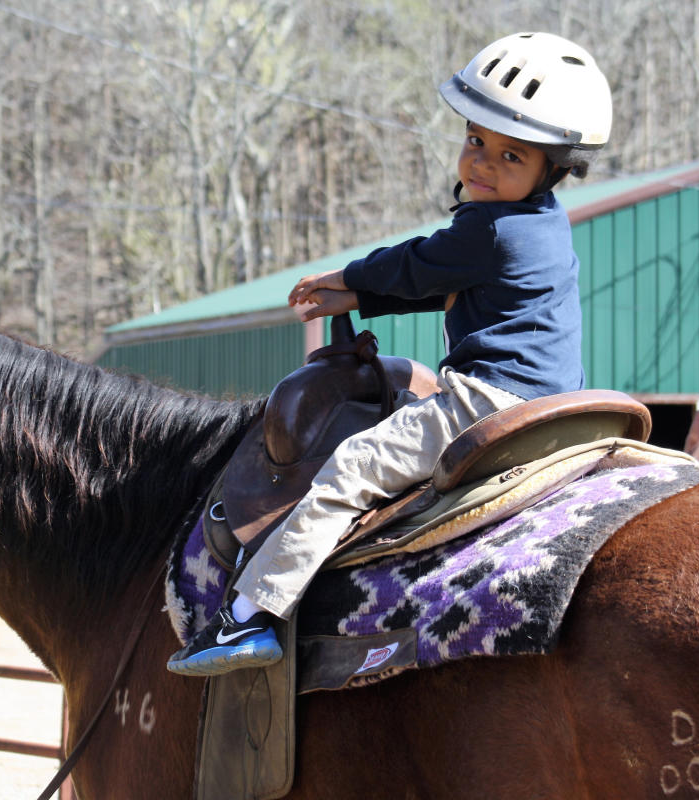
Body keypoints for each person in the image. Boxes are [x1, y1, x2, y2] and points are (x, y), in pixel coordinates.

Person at [168, 31, 613, 677]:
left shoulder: (489, 228)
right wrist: (359, 295)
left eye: (510, 154)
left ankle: (250, 617)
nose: (483, 164)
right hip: (558, 402)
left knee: (350, 468)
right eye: (475, 141)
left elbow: (419, 264)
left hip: (488, 402)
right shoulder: (543, 223)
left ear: (554, 168)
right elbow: (448, 283)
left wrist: (348, 277)